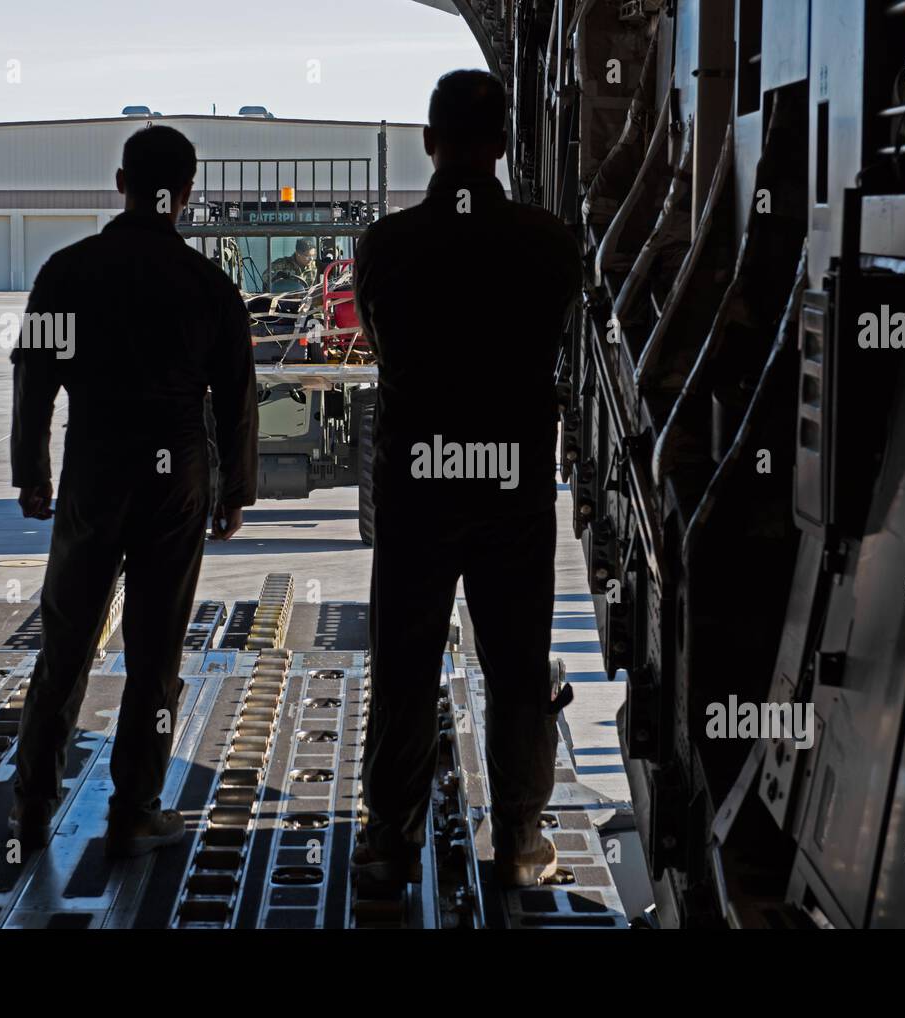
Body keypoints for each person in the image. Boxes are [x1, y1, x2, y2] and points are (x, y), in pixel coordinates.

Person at [353, 69, 582, 888]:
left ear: (428, 140)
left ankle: (389, 840)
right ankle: (519, 843)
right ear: (505, 146)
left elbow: (386, 350)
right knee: (518, 664)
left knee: (404, 662)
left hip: (419, 484)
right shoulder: (552, 244)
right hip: (512, 485)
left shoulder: (383, 245)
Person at [8, 125, 258, 859]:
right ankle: (136, 807)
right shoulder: (208, 284)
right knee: (155, 652)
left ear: (122, 183)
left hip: (95, 463)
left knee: (67, 642)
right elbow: (238, 394)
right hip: (176, 474)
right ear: (184, 193)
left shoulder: (68, 271)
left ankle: (32, 806)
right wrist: (234, 490)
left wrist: (33, 473)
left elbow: (34, 378)